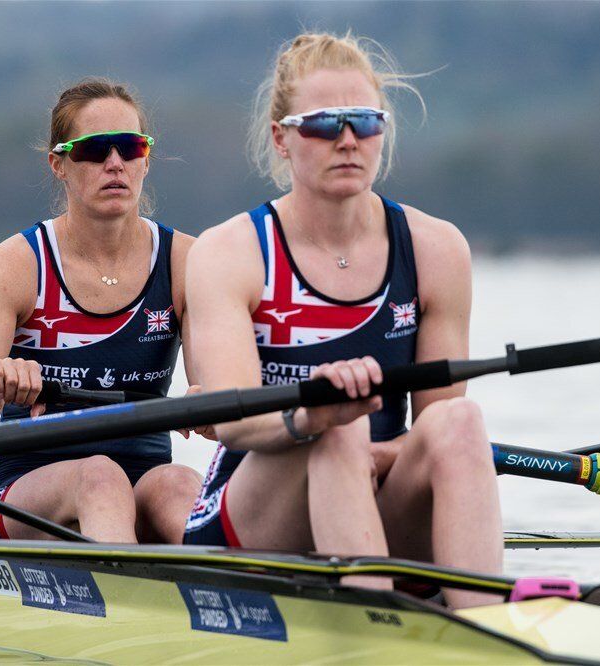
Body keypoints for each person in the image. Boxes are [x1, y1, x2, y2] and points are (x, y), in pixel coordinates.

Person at [182, 33, 503, 608]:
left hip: (375, 492)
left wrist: (366, 456)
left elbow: (434, 425)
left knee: (461, 423)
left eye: (365, 122)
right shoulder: (229, 251)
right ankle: (372, 625)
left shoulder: (437, 250)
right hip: (253, 521)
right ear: (282, 138)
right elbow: (232, 420)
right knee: (339, 429)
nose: (349, 140)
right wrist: (314, 414)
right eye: (325, 124)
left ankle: (487, 629)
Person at [0, 78, 203, 544]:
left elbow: (219, 391)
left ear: (146, 159)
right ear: (59, 164)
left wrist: (208, 405)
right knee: (99, 476)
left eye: (130, 147)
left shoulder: (185, 261)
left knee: (182, 484)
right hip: (26, 494)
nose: (115, 164)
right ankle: (129, 604)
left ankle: (234, 607)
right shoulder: (17, 265)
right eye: (94, 150)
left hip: (144, 481)